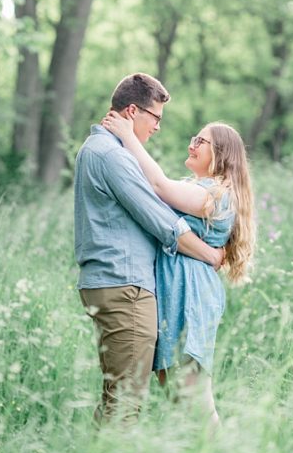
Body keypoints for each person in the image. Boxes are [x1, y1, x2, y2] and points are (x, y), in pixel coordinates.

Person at [75, 73, 225, 426]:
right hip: (124, 287)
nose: (157, 127)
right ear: (132, 111)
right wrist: (208, 253)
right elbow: (160, 219)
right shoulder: (111, 155)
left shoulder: (100, 150)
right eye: (155, 118)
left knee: (123, 395)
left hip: (117, 284)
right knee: (125, 399)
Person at [101, 111, 256, 429]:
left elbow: (158, 185)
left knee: (193, 398)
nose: (192, 145)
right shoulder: (202, 190)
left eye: (201, 141)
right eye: (193, 138)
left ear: (221, 154)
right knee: (178, 395)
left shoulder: (215, 195)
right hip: (180, 292)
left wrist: (128, 135)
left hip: (191, 297)